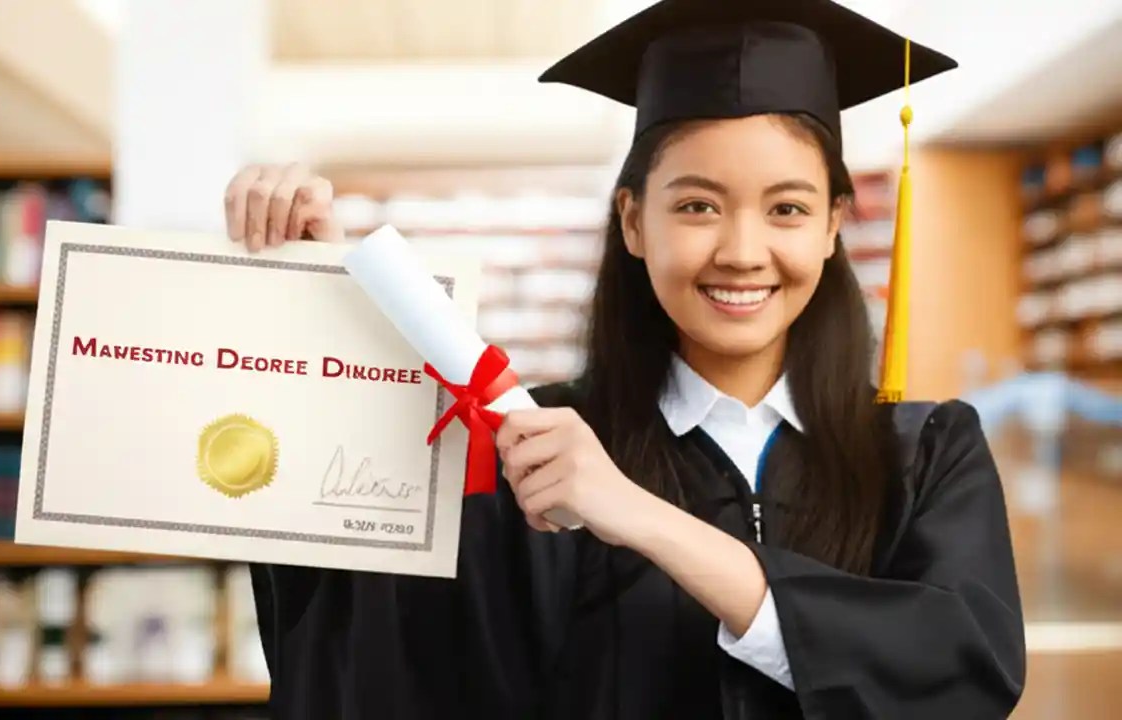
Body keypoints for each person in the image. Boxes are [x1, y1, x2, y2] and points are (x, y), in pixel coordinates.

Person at [223, 0, 1027, 718]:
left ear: (831, 226)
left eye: (787, 208)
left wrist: (636, 513)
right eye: (697, 206)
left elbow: (962, 675)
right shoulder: (527, 453)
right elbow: (385, 664)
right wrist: (316, 313)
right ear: (634, 222)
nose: (743, 251)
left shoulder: (926, 454)